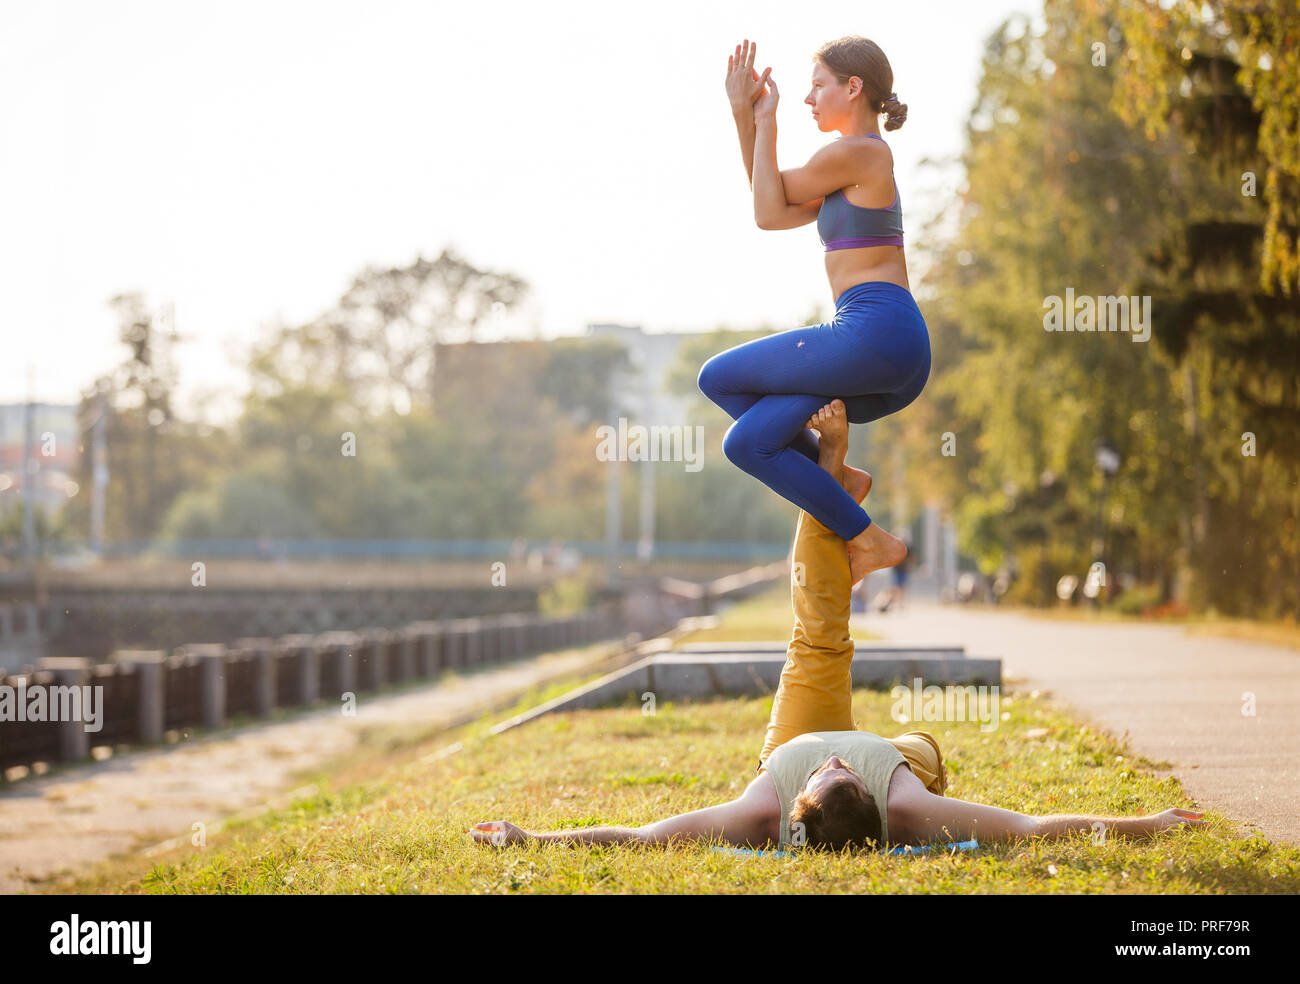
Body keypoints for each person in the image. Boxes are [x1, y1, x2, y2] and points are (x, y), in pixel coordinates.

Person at [472, 402, 1206, 851]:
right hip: (911, 756)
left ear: (799, 805)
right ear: (870, 794)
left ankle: (834, 497)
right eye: (843, 768)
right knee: (922, 740)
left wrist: (530, 836)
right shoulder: (905, 803)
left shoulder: (762, 806)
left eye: (831, 770)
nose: (837, 760)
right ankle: (844, 526)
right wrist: (1153, 822)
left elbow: (639, 838)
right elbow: (1032, 828)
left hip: (794, 729)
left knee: (816, 635)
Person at [697, 36, 931, 588]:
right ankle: (850, 498)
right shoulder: (843, 169)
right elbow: (769, 209)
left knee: (718, 377)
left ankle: (865, 531)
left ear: (854, 88)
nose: (808, 98)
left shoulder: (859, 152)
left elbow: (767, 196)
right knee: (749, 443)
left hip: (875, 332)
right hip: (883, 350)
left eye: (818, 85)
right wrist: (746, 116)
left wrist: (757, 115)